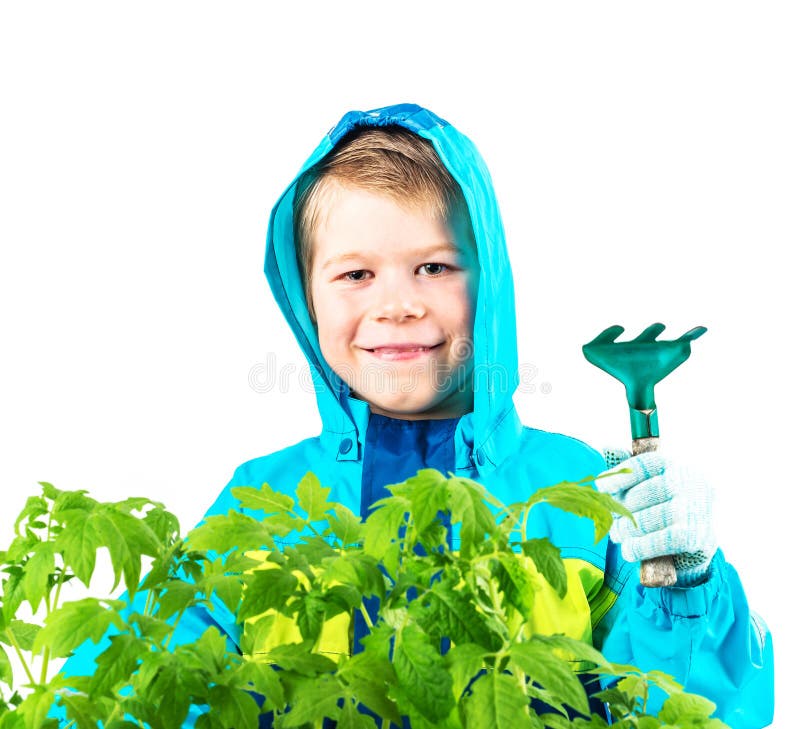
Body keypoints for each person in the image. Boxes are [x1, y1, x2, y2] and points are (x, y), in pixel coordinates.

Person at [61, 103, 774, 727]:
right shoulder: (261, 502)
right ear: (306, 297)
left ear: (488, 282)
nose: (397, 303)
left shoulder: (584, 494)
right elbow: (148, 682)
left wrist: (685, 580)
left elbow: (687, 708)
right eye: (356, 273)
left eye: (434, 267)